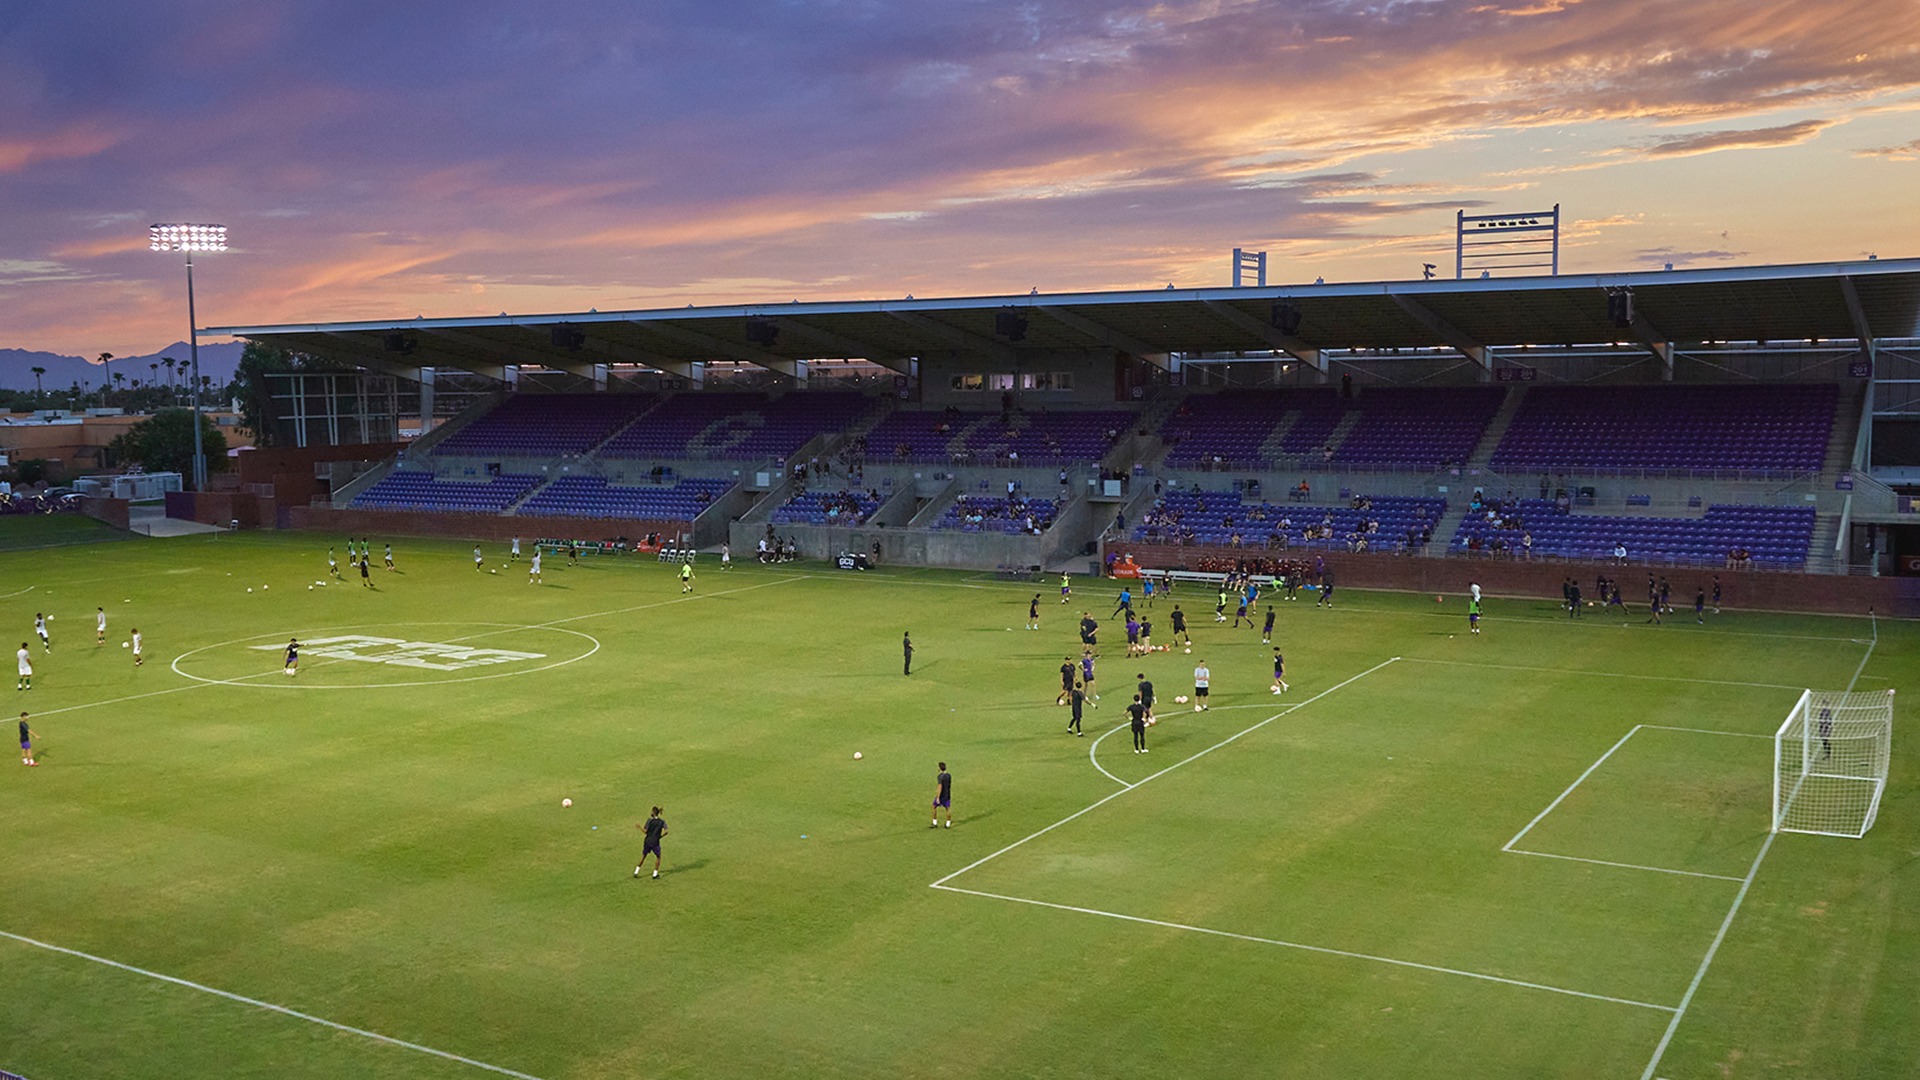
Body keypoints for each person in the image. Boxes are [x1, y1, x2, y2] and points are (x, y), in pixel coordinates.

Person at [634, 806, 668, 878]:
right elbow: (666, 831)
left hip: (647, 841)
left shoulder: (649, 821)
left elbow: (645, 831)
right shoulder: (662, 822)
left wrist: (639, 827)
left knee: (643, 856)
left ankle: (636, 871)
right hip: (655, 842)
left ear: (653, 812)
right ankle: (655, 874)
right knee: (658, 857)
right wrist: (660, 836)